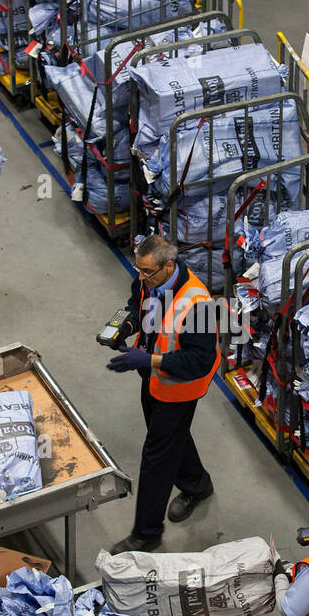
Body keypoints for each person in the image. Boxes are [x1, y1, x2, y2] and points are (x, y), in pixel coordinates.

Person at [104, 235, 219, 553]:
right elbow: (135, 306)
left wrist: (149, 359)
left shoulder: (198, 304)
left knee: (156, 457)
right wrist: (123, 328)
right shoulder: (149, 278)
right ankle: (197, 484)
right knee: (170, 437)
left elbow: (201, 360)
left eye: (146, 272)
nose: (141, 277)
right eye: (138, 270)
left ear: (169, 266)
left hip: (180, 387)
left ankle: (147, 533)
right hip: (153, 376)